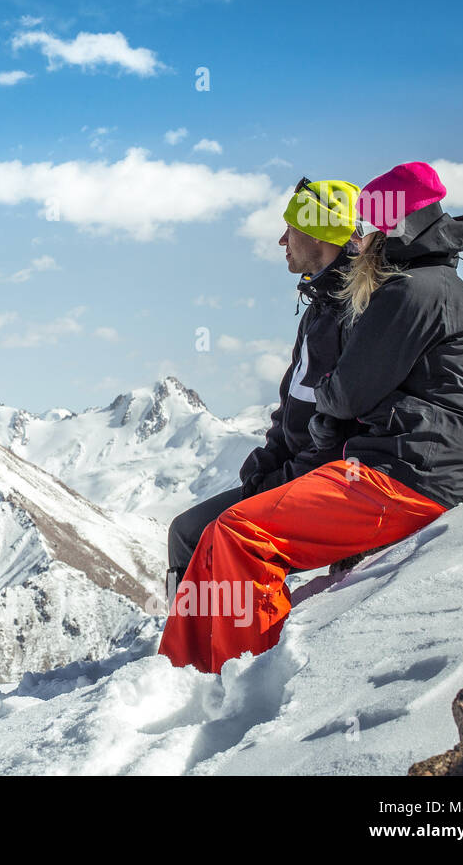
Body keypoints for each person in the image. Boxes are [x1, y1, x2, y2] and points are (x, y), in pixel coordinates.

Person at [159, 161, 463, 674]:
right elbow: (329, 400)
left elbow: (343, 395)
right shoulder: (417, 287)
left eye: (373, 224)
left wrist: (310, 444)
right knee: (210, 532)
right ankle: (189, 671)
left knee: (239, 533)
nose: (363, 236)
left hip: (409, 475)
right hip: (402, 465)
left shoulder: (413, 291)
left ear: (394, 225)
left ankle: (246, 671)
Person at [165, 177, 362, 606]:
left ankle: (197, 649)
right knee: (187, 532)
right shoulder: (319, 310)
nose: (281, 241)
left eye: (289, 230)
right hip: (292, 474)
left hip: (320, 482)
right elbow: (293, 405)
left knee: (194, 535)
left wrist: (279, 479)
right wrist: (269, 459)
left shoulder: (353, 313)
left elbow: (343, 426)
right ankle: (190, 638)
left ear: (316, 234)